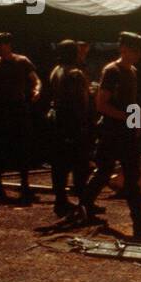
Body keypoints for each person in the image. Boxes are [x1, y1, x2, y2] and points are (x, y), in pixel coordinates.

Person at [78, 31, 141, 238]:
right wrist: (129, 118)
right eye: (133, 51)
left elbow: (129, 103)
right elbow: (102, 104)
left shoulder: (131, 71)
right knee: (104, 171)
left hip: (126, 131)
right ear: (123, 49)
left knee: (132, 176)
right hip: (111, 132)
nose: (137, 55)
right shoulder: (112, 71)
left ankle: (139, 222)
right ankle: (84, 206)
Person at [0, 32, 40, 204]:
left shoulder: (22, 61)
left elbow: (35, 80)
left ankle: (25, 185)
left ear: (8, 45)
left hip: (17, 108)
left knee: (22, 147)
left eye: (0, 44)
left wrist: (37, 90)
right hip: (0, 109)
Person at [47, 39, 93, 216]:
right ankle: (83, 201)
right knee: (80, 164)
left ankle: (60, 200)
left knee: (59, 164)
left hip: (58, 120)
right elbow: (81, 102)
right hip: (72, 121)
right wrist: (83, 124)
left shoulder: (56, 70)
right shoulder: (75, 73)